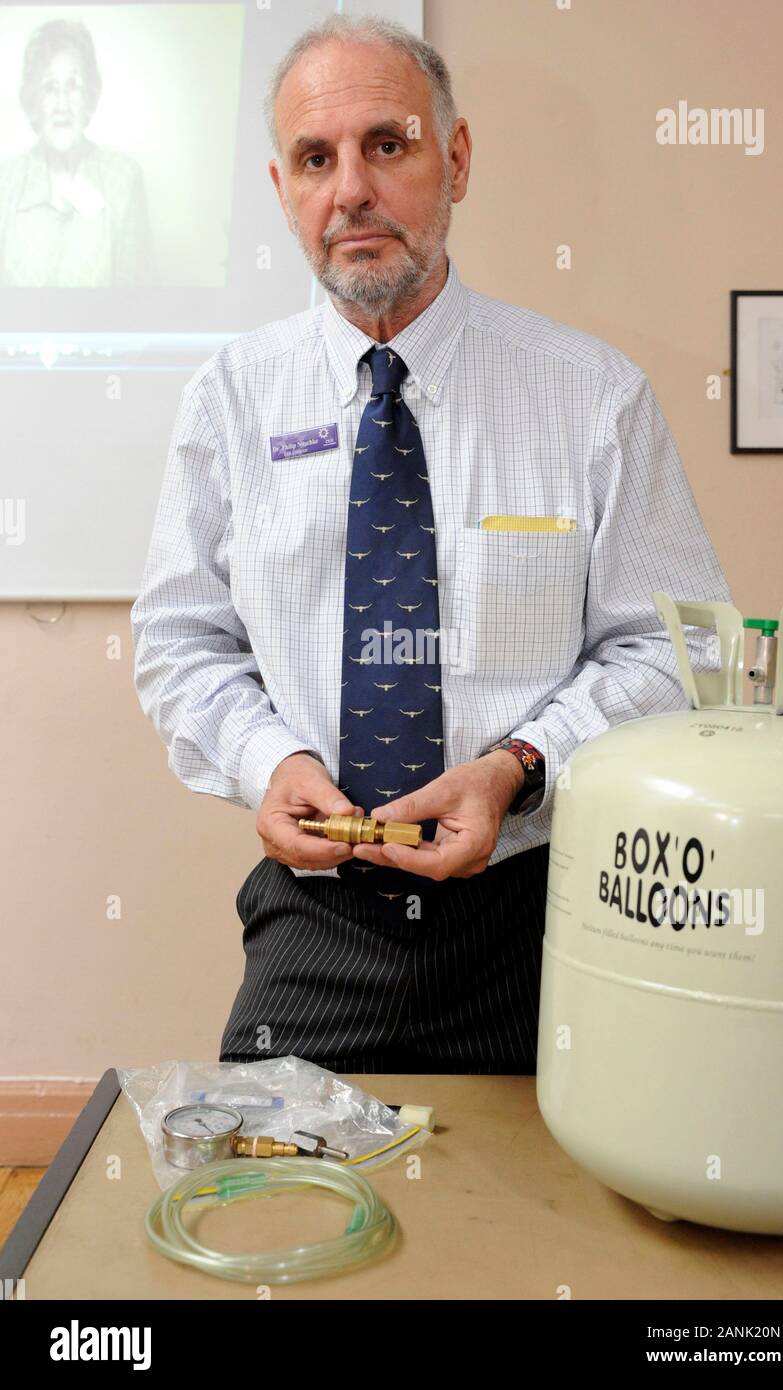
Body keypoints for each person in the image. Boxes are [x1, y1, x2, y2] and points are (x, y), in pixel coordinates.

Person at [131, 14, 732, 1075]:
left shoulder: (592, 397)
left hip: (541, 914)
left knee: (552, 1225)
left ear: (454, 160)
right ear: (283, 189)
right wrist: (271, 761)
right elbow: (181, 643)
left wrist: (518, 767)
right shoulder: (229, 403)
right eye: (316, 159)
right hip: (320, 920)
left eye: (387, 145)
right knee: (275, 1207)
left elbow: (680, 652)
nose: (350, 189)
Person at [0, 18, 152, 288]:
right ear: (34, 101)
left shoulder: (125, 179)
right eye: (49, 88)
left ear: (90, 98)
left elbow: (135, 308)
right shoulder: (5, 182)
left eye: (74, 86)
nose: (62, 104)